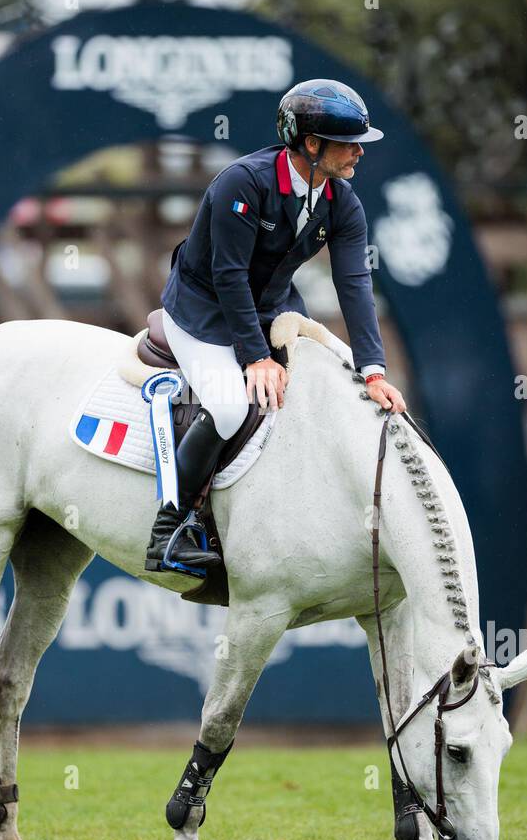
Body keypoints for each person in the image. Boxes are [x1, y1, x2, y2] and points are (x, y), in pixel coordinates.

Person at [145, 78, 407, 575]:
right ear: (312, 145)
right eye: (349, 144)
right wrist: (256, 357)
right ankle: (169, 530)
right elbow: (228, 275)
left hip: (272, 310)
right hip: (202, 312)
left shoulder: (343, 202)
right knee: (228, 405)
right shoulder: (241, 183)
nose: (358, 154)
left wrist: (373, 371)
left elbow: (354, 284)